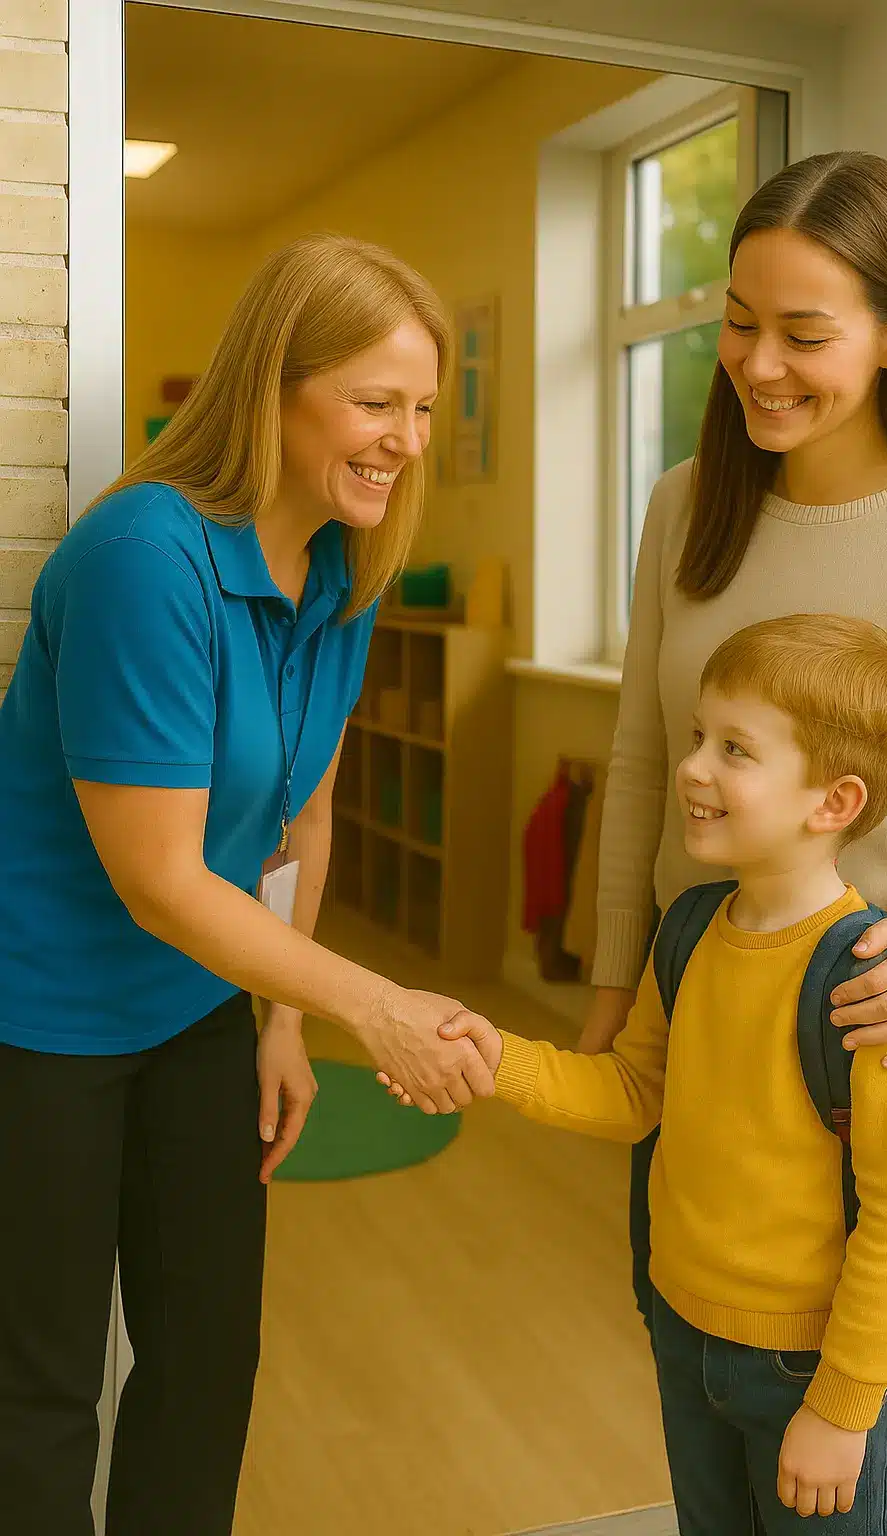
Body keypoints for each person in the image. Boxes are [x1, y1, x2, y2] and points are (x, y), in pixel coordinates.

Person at [0, 234, 499, 1536]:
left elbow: (300, 817)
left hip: (198, 1018)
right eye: (375, 403)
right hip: (38, 1026)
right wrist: (369, 1008)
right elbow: (162, 880)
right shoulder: (143, 556)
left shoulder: (345, 569)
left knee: (207, 1363)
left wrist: (279, 1018)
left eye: (425, 411)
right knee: (40, 1392)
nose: (405, 439)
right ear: (275, 387)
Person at [571, 151, 887, 1367]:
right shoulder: (684, 506)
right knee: (697, 1350)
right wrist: (618, 982)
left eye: (802, 334)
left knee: (842, 1396)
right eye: (737, 323)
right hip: (700, 995)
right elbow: (638, 759)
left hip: (874, 1012)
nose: (757, 365)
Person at [386, 612, 887, 1532]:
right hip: (685, 1331)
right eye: (698, 736)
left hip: (812, 1367)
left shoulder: (875, 985)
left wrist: (843, 1409)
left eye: (736, 748)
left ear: (834, 802)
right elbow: (634, 1092)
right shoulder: (688, 931)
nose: (693, 767)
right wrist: (504, 1061)